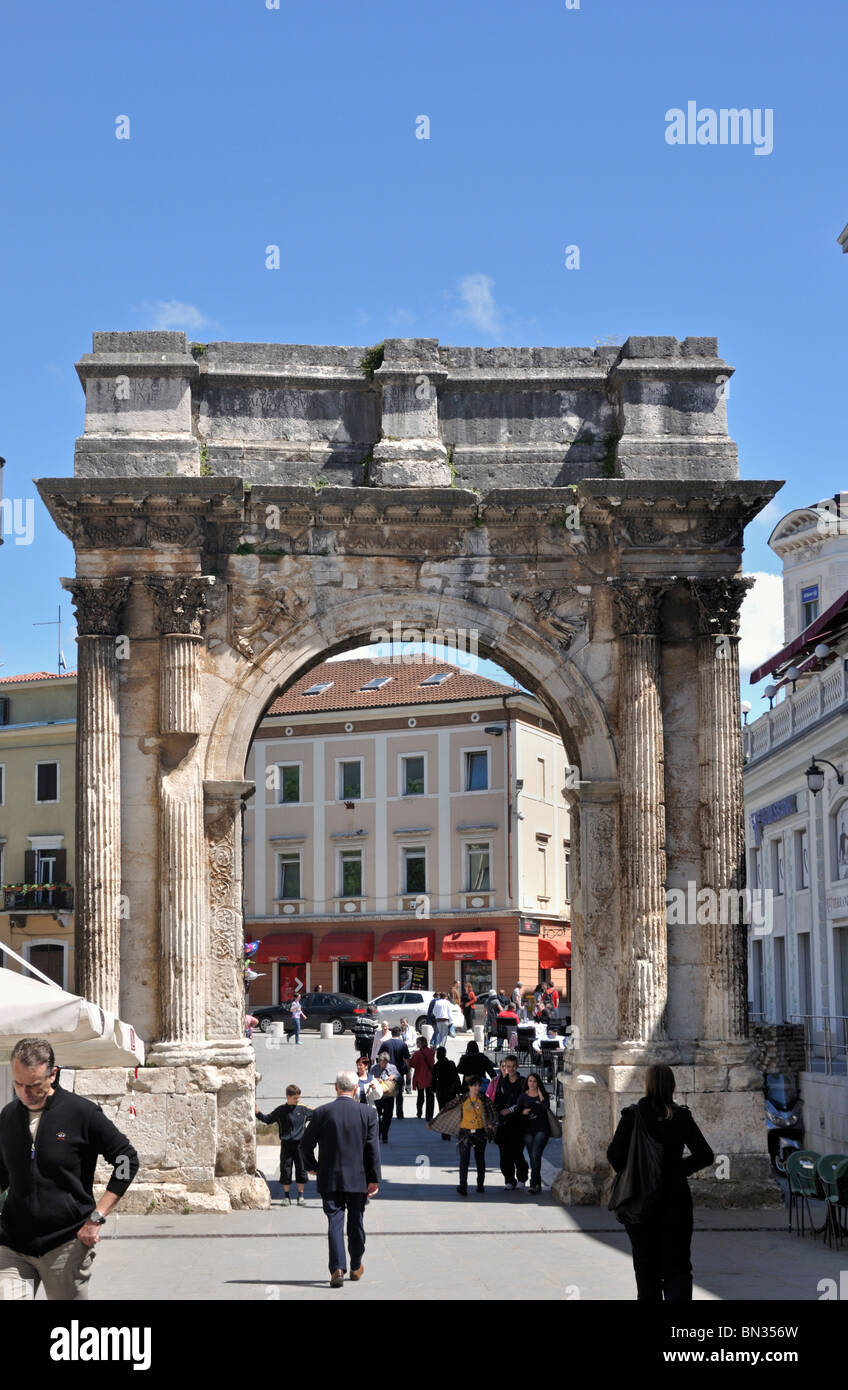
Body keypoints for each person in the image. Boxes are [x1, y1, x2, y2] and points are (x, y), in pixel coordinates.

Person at [0, 1037, 139, 1301]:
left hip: (65, 1243)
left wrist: (97, 1217)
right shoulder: (8, 1116)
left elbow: (126, 1158)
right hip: (13, 1244)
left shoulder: (82, 1113)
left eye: (33, 1085)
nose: (24, 1093)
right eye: (18, 1084)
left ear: (53, 1074)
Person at [606, 1064, 714, 1301]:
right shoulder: (682, 1116)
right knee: (678, 1267)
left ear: (647, 1084)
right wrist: (676, 1170)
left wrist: (637, 1168)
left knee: (646, 1270)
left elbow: (614, 1155)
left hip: (641, 1201)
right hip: (676, 1200)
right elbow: (705, 1155)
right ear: (672, 1086)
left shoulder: (633, 1116)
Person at [301, 1069, 381, 1288]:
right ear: (356, 1089)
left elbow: (305, 1145)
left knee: (335, 1222)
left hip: (330, 1177)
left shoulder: (321, 1113)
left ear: (335, 1087)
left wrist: (313, 1167)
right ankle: (356, 1265)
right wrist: (374, 1178)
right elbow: (372, 1148)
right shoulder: (368, 1113)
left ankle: (337, 1268)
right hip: (358, 1178)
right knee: (356, 1222)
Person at [428, 1077, 497, 1195]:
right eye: (473, 1085)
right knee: (464, 1160)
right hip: (465, 1132)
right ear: (469, 1086)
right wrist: (434, 1121)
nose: (476, 1088)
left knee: (480, 1160)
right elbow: (447, 1107)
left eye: (478, 1085)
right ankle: (463, 1185)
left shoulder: (484, 1100)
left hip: (480, 1133)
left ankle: (480, 1185)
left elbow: (493, 1113)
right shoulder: (462, 1098)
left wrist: (491, 1124)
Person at [255, 1083, 313, 1206]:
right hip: (286, 1144)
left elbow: (318, 1115)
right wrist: (257, 1113)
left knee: (301, 1169)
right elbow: (267, 1119)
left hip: (300, 1145)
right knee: (285, 1169)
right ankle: (286, 1197)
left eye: (298, 1097)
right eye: (295, 1098)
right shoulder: (280, 1110)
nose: (298, 1100)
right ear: (288, 1097)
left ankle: (300, 1196)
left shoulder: (303, 1109)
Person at [491, 1053, 529, 1189]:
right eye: (508, 1066)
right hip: (504, 1124)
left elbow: (524, 1101)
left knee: (517, 1152)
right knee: (504, 1154)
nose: (510, 1069)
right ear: (505, 1067)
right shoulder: (501, 1082)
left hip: (518, 1124)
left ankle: (522, 1178)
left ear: (517, 1067)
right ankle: (509, 1179)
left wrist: (511, 1110)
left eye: (513, 1066)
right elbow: (497, 1101)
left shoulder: (523, 1083)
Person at [518, 1072, 551, 1194]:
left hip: (541, 1129)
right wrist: (523, 1112)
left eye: (535, 1081)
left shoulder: (543, 1095)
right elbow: (517, 1110)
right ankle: (537, 1183)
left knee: (536, 1154)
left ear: (538, 1083)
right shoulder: (523, 1096)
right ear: (527, 1082)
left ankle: (533, 1183)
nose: (532, 1084)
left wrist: (541, 1095)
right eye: (530, 1081)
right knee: (533, 1156)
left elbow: (545, 1107)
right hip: (527, 1129)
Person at [368, 1053, 400, 1143]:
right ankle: (379, 1131)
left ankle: (385, 1134)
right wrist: (376, 1080)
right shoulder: (374, 1068)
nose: (383, 1065)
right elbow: (369, 1079)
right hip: (378, 1096)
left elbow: (399, 1077)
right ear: (379, 1061)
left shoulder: (392, 1067)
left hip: (389, 1096)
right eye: (382, 1063)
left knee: (388, 1115)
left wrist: (394, 1076)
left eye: (385, 1063)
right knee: (377, 1116)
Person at [431, 1046, 461, 1141]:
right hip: (450, 1090)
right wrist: (458, 1089)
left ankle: (445, 1132)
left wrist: (433, 1089)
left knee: (442, 1111)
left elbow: (433, 1080)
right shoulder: (451, 1064)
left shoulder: (436, 1066)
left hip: (441, 1091)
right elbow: (456, 1077)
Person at [381, 1027, 411, 1118]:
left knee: (387, 1093)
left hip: (387, 1072)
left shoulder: (385, 1044)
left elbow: (381, 1057)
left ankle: (387, 1113)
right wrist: (408, 1072)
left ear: (391, 1033)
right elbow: (407, 1060)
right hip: (399, 1072)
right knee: (399, 1094)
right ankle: (399, 1113)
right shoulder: (403, 1045)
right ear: (400, 1034)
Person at [409, 1036, 435, 1120]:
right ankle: (429, 1115)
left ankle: (419, 1113)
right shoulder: (431, 1052)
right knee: (430, 1097)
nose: (417, 1044)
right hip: (429, 1077)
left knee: (420, 1097)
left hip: (420, 1077)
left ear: (421, 1043)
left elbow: (412, 1064)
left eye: (418, 1042)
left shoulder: (417, 1053)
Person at [398, 1018, 417, 1091]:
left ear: (407, 1022)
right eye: (401, 1022)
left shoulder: (412, 1029)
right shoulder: (399, 1030)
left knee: (408, 1069)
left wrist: (407, 1043)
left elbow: (415, 1040)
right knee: (401, 1069)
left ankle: (408, 1086)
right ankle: (402, 1086)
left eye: (404, 1022)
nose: (403, 1024)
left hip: (410, 1051)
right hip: (400, 1052)